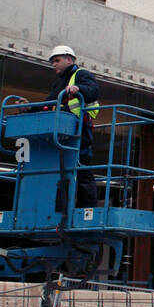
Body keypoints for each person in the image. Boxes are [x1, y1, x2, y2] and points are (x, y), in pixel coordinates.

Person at [46, 45, 101, 208]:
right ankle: (61, 208)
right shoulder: (59, 84)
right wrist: (29, 108)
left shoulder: (81, 75)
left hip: (79, 131)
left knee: (82, 169)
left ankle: (87, 209)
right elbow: (48, 103)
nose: (54, 65)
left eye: (57, 60)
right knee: (63, 170)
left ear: (69, 59)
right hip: (64, 132)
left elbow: (93, 91)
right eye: (52, 62)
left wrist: (78, 89)